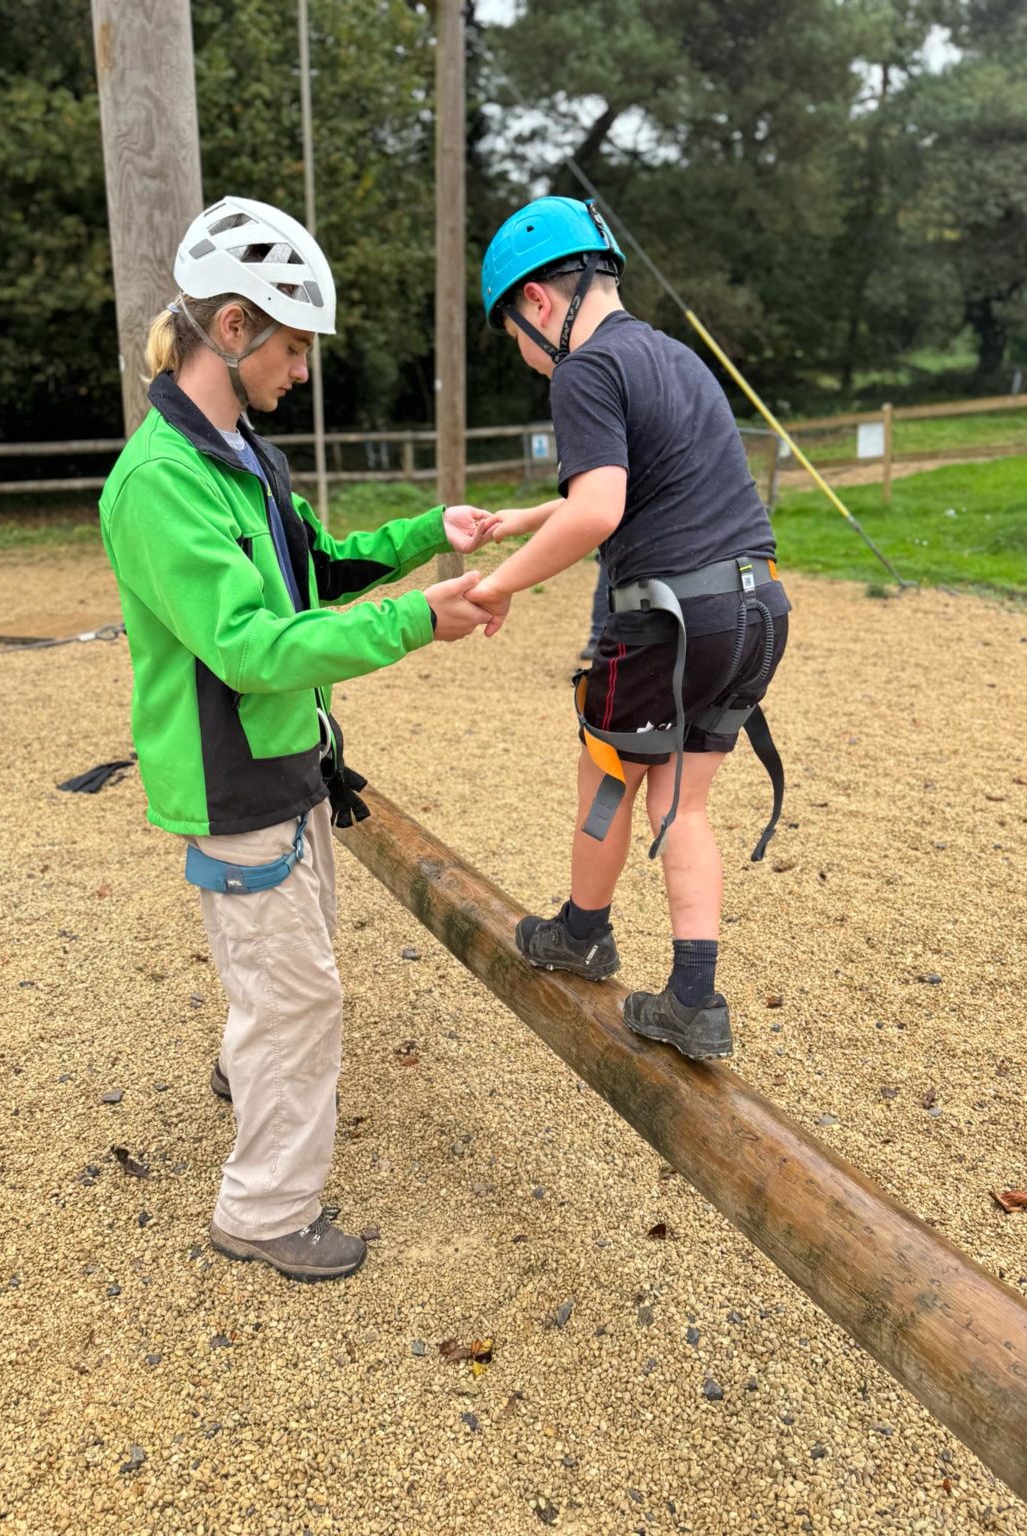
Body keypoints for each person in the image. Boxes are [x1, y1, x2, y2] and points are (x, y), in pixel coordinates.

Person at [99, 196, 497, 1280]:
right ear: (233, 327)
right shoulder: (162, 483)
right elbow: (257, 650)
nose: (302, 369)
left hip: (289, 767)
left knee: (285, 977)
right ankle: (265, 1213)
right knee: (300, 996)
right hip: (236, 783)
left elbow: (314, 570)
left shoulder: (241, 456)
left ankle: (255, 1069)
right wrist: (421, 620)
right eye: (293, 346)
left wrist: (432, 536)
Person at [471, 195, 790, 1062]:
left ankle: (582, 932)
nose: (535, 365)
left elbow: (599, 509)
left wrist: (496, 586)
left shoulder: (582, 368)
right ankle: (695, 998)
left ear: (537, 302)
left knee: (606, 774)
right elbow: (628, 481)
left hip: (668, 621)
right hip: (757, 608)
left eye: (518, 341)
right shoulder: (672, 357)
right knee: (683, 801)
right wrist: (524, 519)